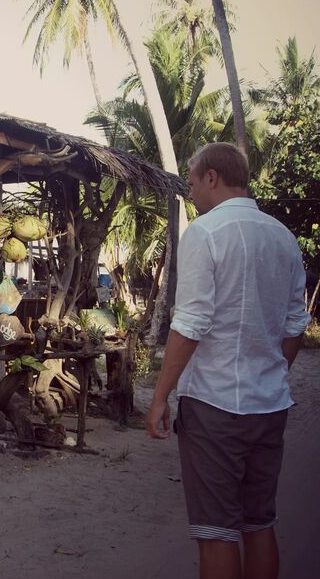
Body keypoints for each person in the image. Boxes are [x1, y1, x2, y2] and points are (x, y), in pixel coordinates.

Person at [145, 143, 311, 579]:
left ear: (212, 177)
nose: (192, 189)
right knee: (259, 524)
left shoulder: (205, 232)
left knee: (216, 532)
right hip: (269, 406)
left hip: (215, 406)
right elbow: (296, 324)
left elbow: (191, 323)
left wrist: (160, 396)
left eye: (193, 180)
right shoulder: (283, 236)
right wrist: (272, 373)